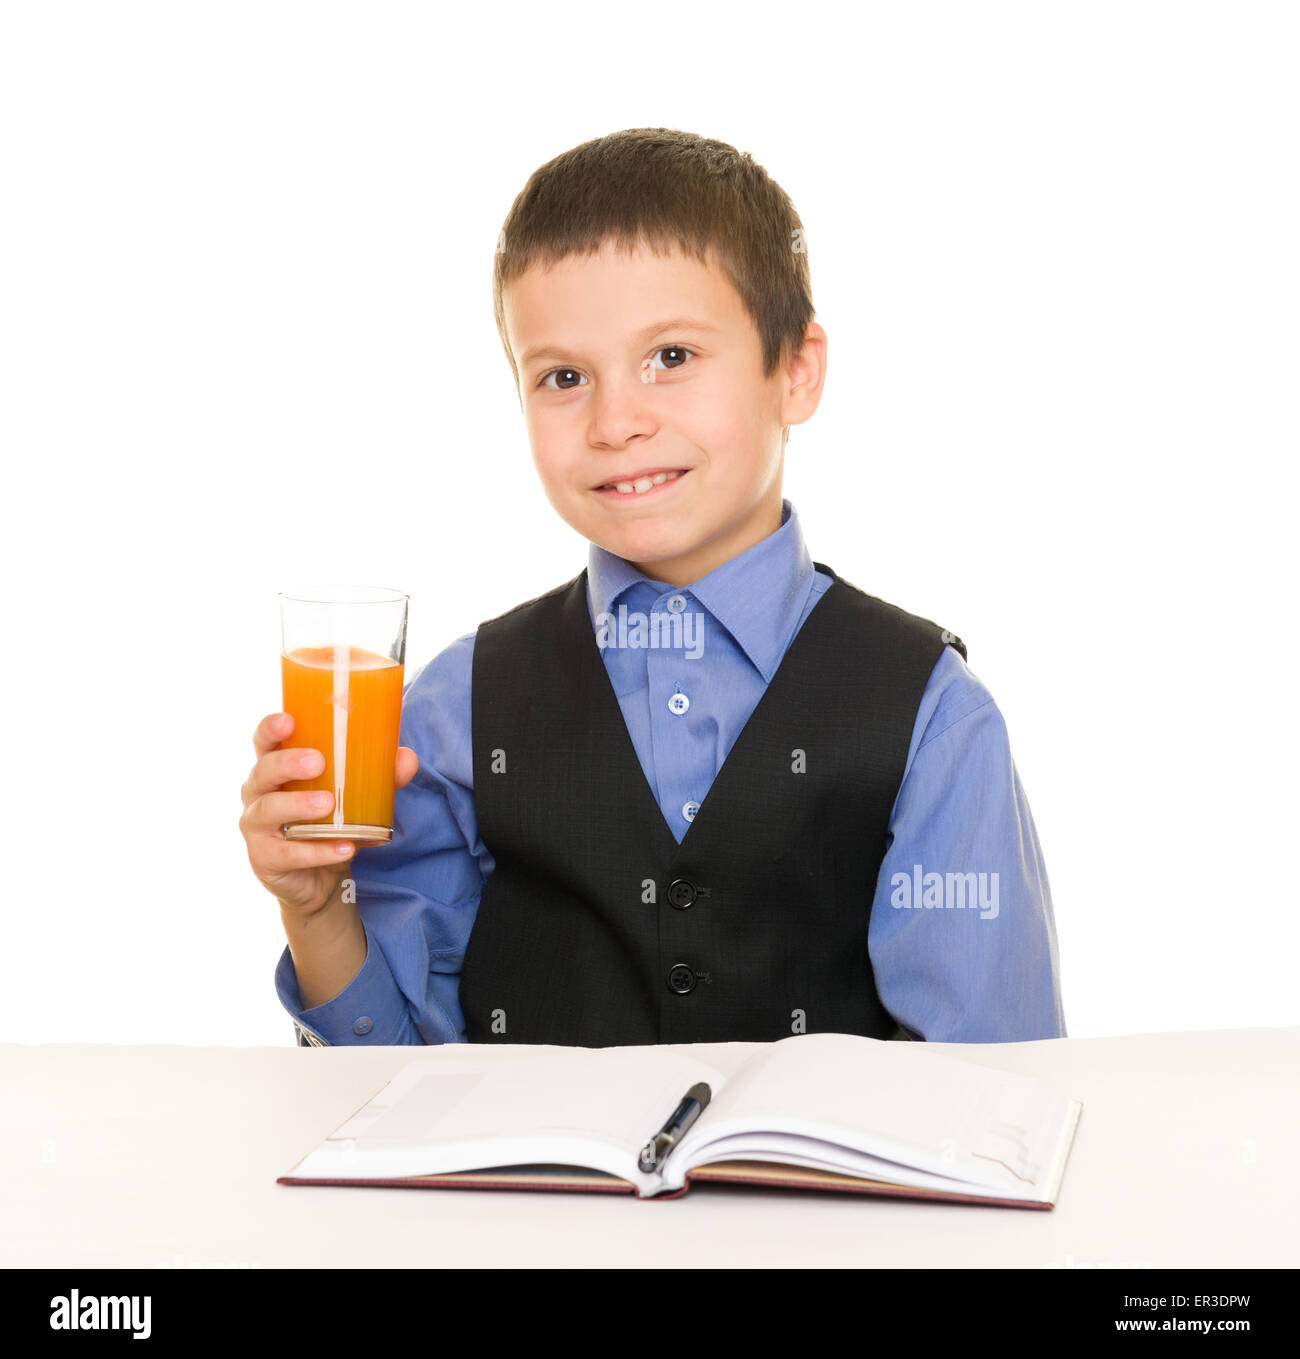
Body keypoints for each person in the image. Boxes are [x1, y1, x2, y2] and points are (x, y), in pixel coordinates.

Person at [239, 127, 1066, 1048]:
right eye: (563, 376)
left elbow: (994, 1106)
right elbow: (386, 1096)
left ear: (795, 370)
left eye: (671, 357)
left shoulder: (931, 717)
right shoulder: (452, 713)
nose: (617, 421)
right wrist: (316, 909)